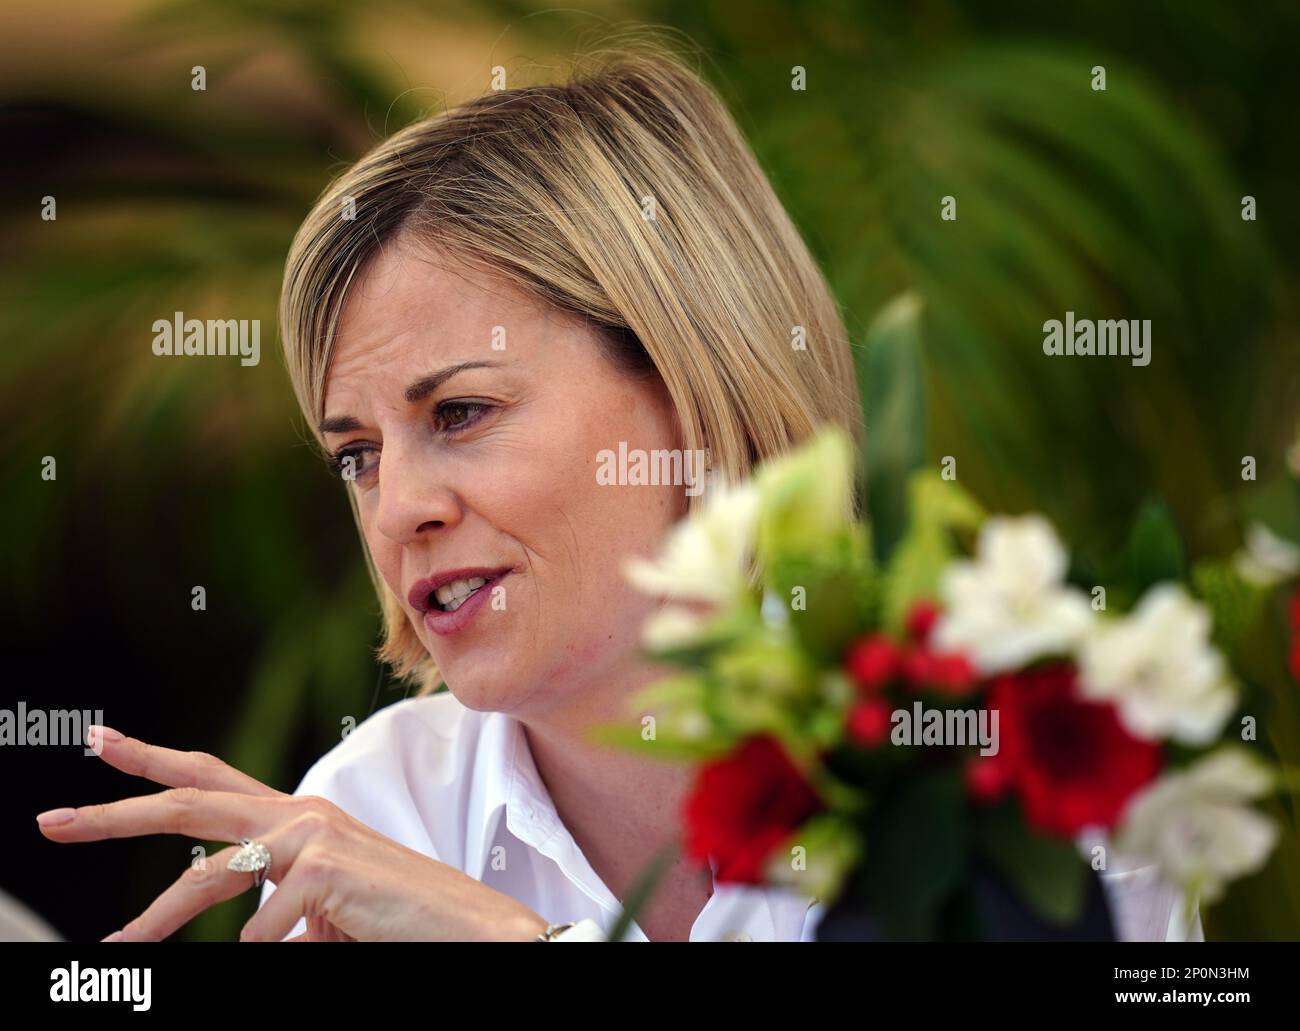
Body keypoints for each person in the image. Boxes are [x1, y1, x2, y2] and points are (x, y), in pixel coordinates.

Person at [34, 47, 1197, 942]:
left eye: (460, 413)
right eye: (356, 454)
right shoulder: (374, 807)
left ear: (693, 383)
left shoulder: (1029, 761)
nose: (396, 511)